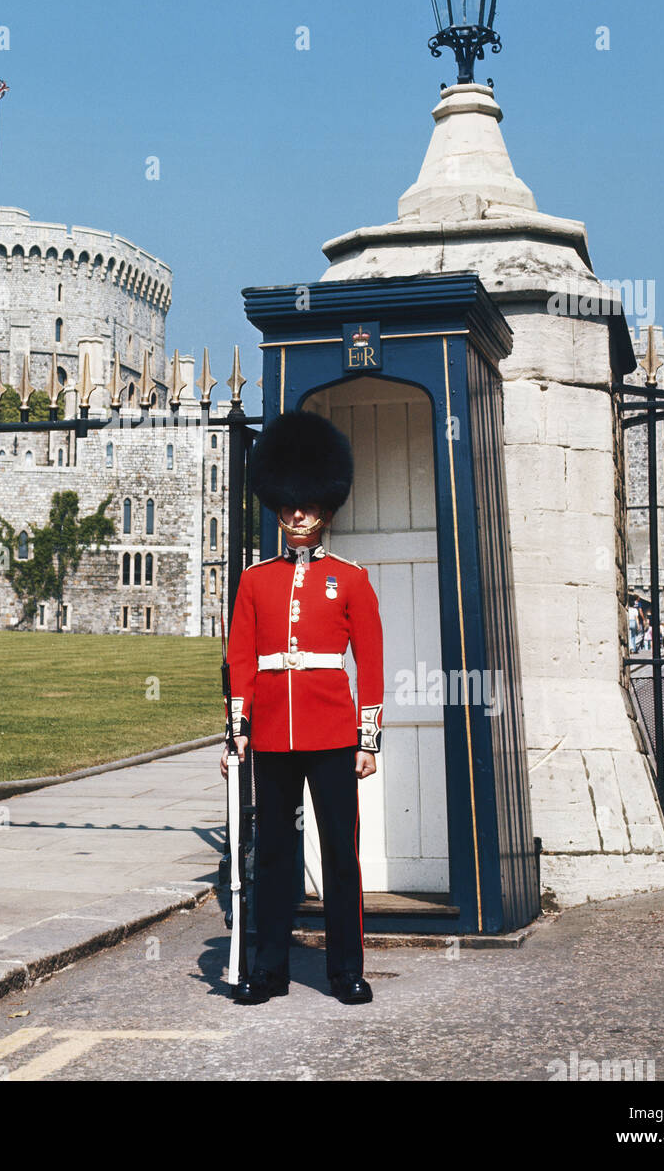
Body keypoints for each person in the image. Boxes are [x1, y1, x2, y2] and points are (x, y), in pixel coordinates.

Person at [221, 410, 383, 1006]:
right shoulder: (255, 580)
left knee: (341, 854)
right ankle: (269, 968)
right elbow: (241, 658)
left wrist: (368, 738)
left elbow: (370, 661)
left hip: (334, 733)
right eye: (290, 506)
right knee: (273, 858)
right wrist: (238, 729)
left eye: (308, 506)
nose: (298, 516)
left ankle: (345, 969)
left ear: (326, 509)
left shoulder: (352, 579)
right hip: (272, 735)